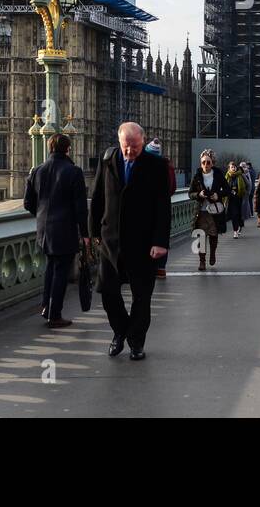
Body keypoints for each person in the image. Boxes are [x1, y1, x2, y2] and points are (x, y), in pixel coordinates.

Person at [90, 121, 171, 361]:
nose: (129, 151)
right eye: (126, 146)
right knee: (108, 293)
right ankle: (120, 332)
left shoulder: (156, 165)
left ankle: (136, 342)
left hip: (143, 242)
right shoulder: (107, 161)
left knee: (142, 295)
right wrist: (92, 232)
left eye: (134, 146)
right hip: (110, 240)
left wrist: (160, 241)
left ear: (143, 142)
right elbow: (96, 198)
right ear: (119, 142)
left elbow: (162, 206)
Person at [23, 133, 88, 329]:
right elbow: (80, 208)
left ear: (50, 148)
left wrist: (42, 215)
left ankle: (46, 306)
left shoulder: (37, 170)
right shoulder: (73, 172)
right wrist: (85, 234)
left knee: (51, 268)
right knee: (60, 271)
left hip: (44, 230)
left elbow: (27, 203)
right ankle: (54, 314)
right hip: (64, 229)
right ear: (68, 149)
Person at [189, 149, 230, 271]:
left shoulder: (218, 174)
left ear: (213, 163)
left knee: (213, 235)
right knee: (201, 236)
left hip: (214, 211)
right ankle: (202, 261)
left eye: (208, 162)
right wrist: (199, 194)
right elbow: (190, 193)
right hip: (200, 211)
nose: (205, 165)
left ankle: (212, 253)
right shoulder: (197, 176)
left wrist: (218, 195)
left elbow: (227, 190)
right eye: (203, 162)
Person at [144, 138, 176, 278]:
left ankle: (149, 265)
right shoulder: (168, 166)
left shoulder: (144, 165)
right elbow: (173, 187)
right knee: (162, 233)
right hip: (164, 204)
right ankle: (161, 267)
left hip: (147, 206)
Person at [225, 160, 246, 238]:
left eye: (234, 167)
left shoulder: (240, 175)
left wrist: (243, 193)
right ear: (229, 168)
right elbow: (224, 186)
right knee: (234, 215)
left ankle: (240, 225)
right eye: (232, 167)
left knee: (238, 215)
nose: (233, 169)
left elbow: (247, 185)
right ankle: (235, 231)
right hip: (231, 199)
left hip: (239, 198)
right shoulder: (227, 176)